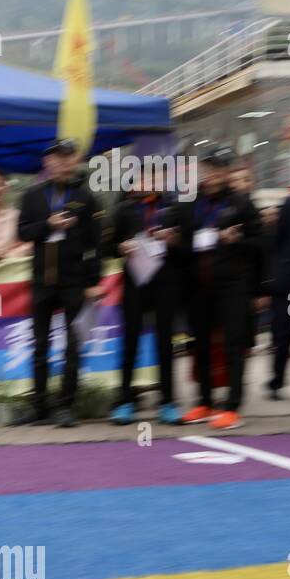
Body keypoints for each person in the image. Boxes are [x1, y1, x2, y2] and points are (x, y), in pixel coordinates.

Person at [171, 150, 263, 431]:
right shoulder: (189, 204)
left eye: (218, 169)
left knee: (234, 345)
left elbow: (261, 245)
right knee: (200, 345)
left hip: (233, 286)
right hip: (198, 287)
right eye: (208, 169)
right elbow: (185, 246)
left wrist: (237, 240)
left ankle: (232, 407)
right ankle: (205, 402)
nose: (212, 175)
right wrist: (174, 241)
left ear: (227, 172)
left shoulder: (242, 203)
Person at [13, 139, 103, 428]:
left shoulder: (86, 197)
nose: (64, 163)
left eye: (69, 158)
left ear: (76, 162)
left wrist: (93, 281)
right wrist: (48, 225)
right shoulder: (32, 196)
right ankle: (39, 406)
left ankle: (66, 406)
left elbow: (95, 244)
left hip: (73, 281)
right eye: (58, 158)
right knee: (40, 345)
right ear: (47, 162)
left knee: (72, 346)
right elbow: (23, 233)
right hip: (42, 280)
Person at [109, 173, 180, 425]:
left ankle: (168, 402)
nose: (149, 184)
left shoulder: (173, 208)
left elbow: (188, 244)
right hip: (135, 282)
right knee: (130, 342)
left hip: (165, 283)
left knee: (165, 343)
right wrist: (121, 247)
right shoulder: (124, 210)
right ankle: (125, 401)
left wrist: (174, 240)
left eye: (154, 179)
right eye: (143, 179)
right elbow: (107, 245)